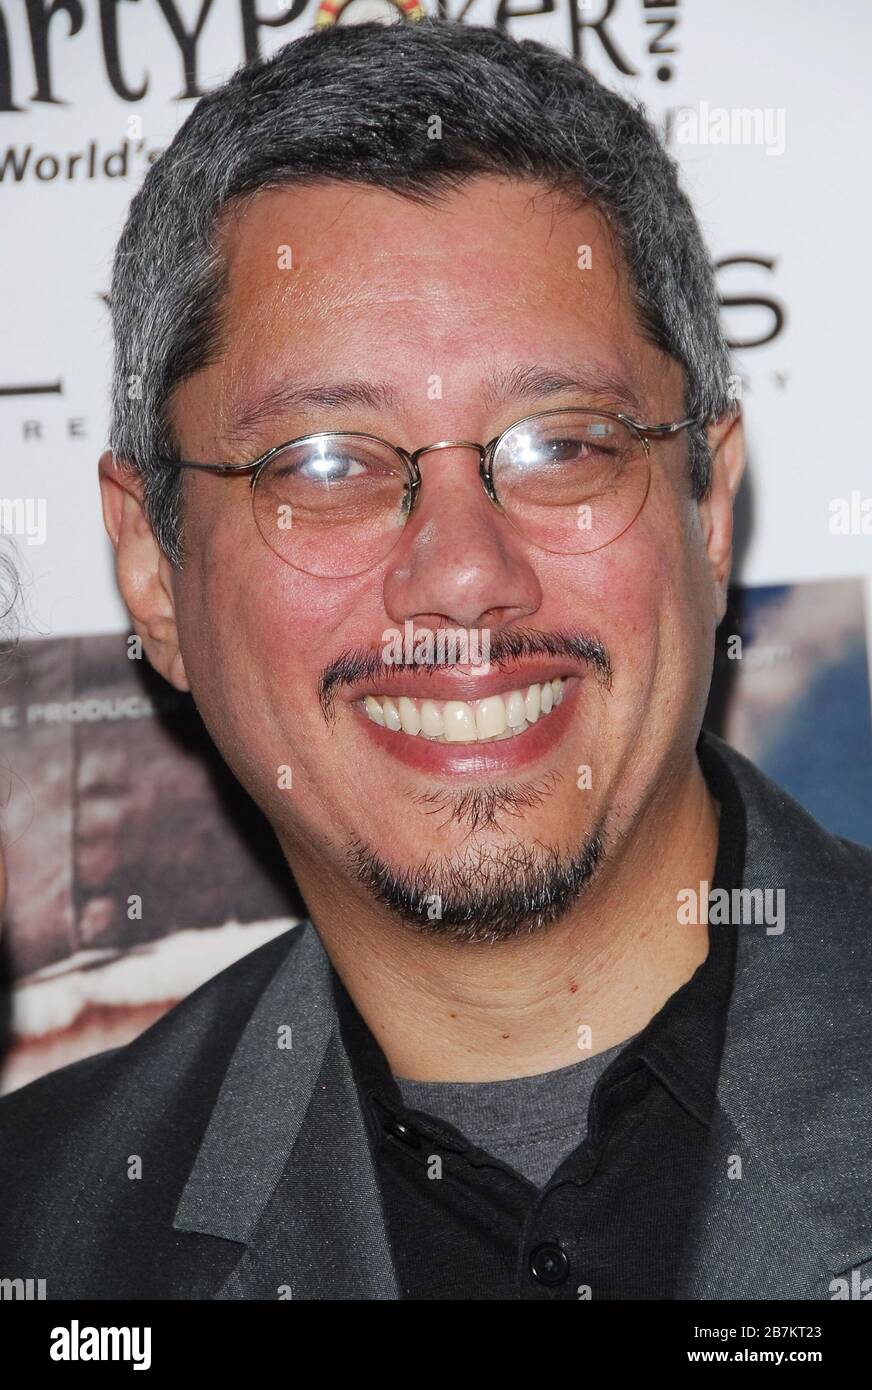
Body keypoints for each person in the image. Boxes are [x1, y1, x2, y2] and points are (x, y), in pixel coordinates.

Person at [1, 18, 870, 1302]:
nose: (462, 572)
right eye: (323, 464)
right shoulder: (42, 1234)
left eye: (559, 443)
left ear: (706, 506)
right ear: (152, 573)